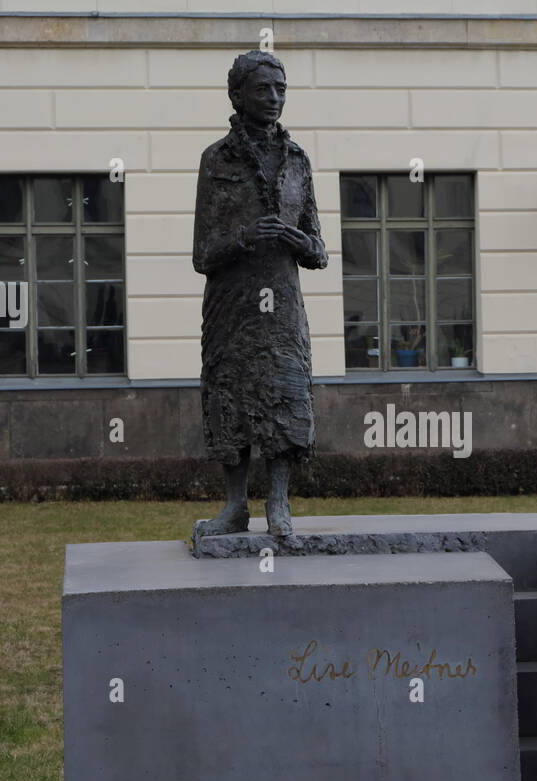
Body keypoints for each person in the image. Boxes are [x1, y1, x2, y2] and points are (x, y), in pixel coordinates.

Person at [192, 50, 328, 537]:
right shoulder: (216, 159)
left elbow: (320, 250)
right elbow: (201, 254)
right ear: (238, 95)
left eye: (280, 89)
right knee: (229, 397)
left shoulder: (297, 160)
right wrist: (245, 236)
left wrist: (301, 242)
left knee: (287, 395)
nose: (273, 98)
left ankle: (279, 505)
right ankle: (234, 507)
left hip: (283, 307)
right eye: (263, 89)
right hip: (232, 306)